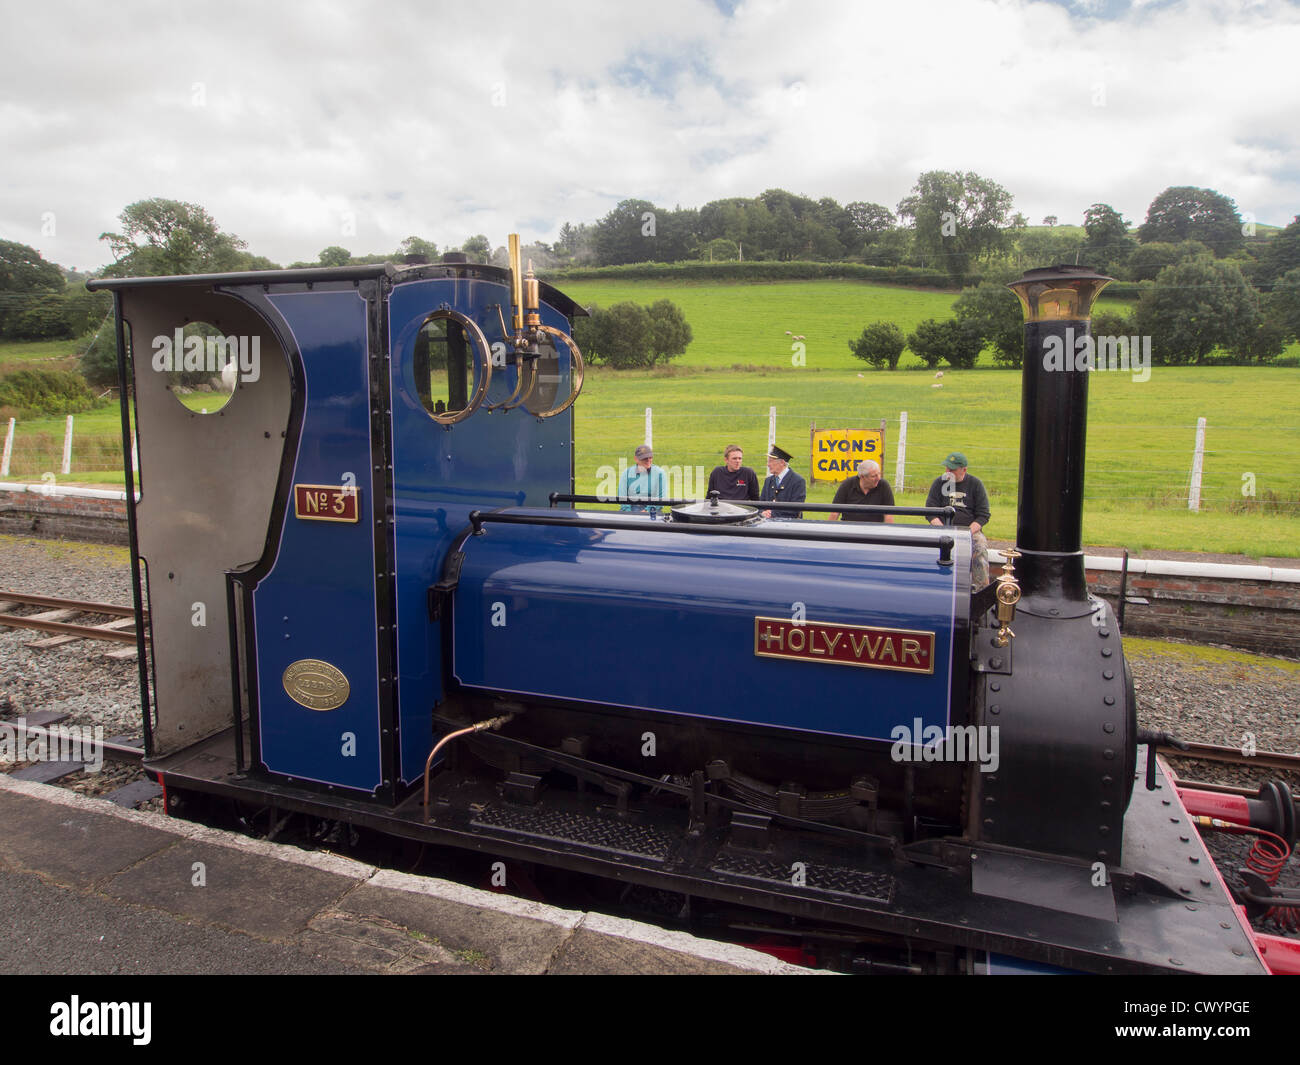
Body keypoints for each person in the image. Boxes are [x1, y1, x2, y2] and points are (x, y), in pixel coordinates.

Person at [925, 451, 991, 590]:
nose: (948, 471)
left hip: (969, 531)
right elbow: (930, 511)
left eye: (952, 469)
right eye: (947, 468)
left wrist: (966, 533)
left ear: (964, 470)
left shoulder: (975, 484)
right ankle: (931, 585)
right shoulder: (939, 482)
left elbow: (983, 515)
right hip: (942, 529)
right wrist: (943, 529)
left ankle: (980, 589)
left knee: (980, 547)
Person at [829, 459, 895, 522]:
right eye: (874, 476)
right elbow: (835, 512)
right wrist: (829, 531)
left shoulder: (883, 486)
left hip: (875, 529)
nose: (878, 478)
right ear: (862, 477)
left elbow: (889, 514)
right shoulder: (847, 485)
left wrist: (888, 532)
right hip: (849, 528)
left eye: (879, 474)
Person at [759, 445, 806, 519]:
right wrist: (763, 512)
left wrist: (773, 513)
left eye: (771, 461)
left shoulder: (798, 481)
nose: (768, 465)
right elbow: (760, 504)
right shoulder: (768, 481)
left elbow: (795, 510)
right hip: (768, 525)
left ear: (782, 463)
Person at [619, 444, 669, 512]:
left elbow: (661, 499)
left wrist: (647, 511)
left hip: (652, 510)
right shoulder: (626, 473)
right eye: (644, 458)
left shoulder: (660, 473)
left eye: (650, 457)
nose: (648, 460)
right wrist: (629, 514)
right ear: (636, 459)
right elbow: (622, 498)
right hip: (630, 509)